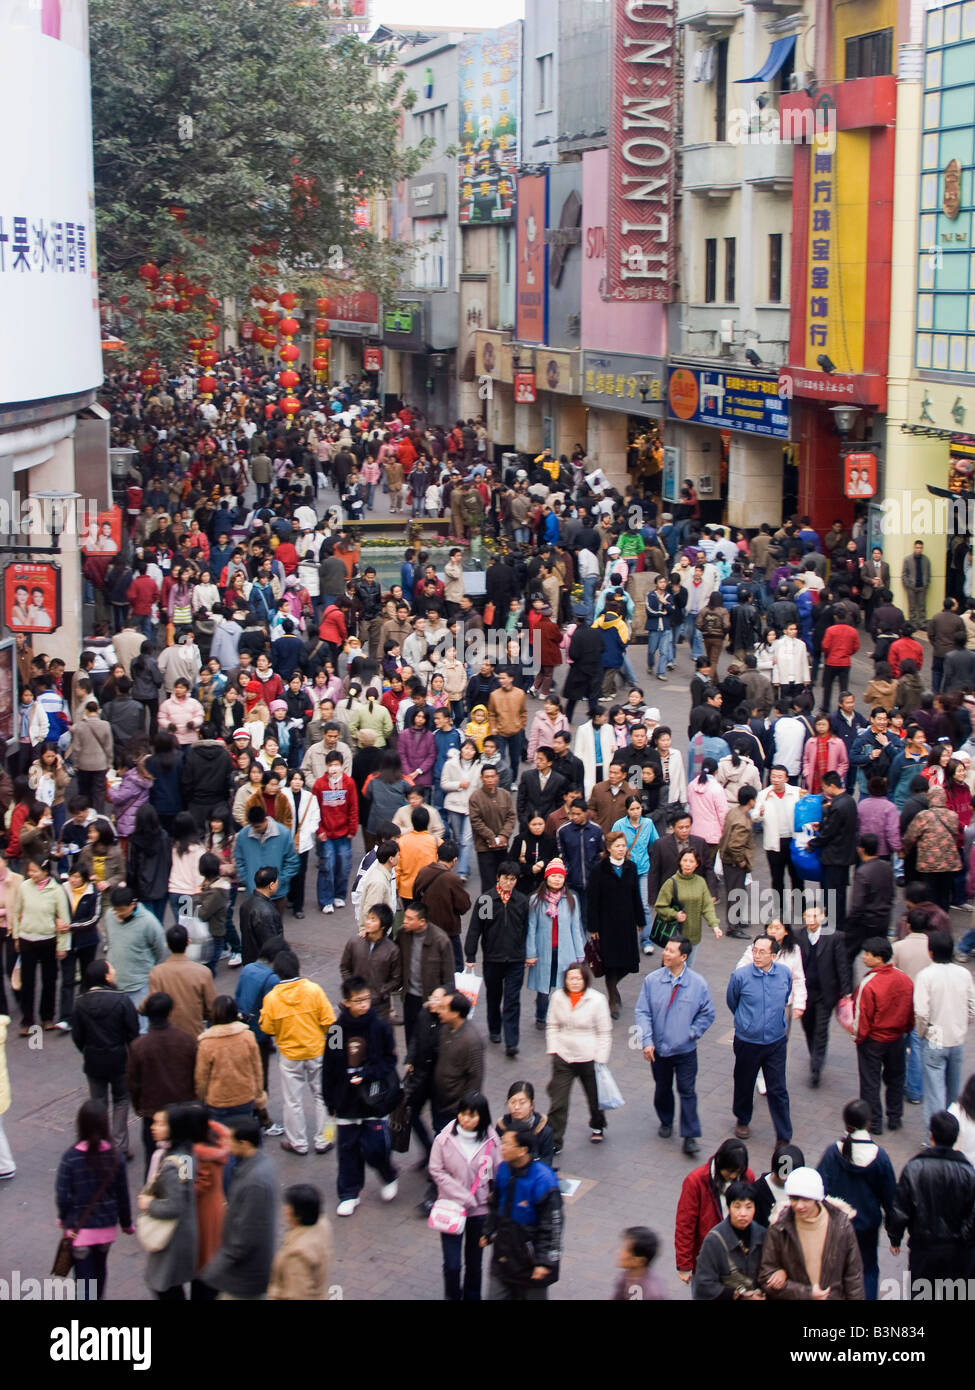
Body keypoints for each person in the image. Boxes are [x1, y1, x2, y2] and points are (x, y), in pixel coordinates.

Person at [322, 974, 400, 1217]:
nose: (363, 1004)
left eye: (366, 999)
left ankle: (388, 1173)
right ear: (346, 1002)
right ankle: (349, 1193)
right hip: (346, 1100)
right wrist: (330, 1101)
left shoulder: (380, 1027)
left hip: (373, 1097)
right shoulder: (336, 1031)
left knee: (376, 1146)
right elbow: (329, 1068)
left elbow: (390, 1060)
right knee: (347, 1149)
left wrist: (368, 1073)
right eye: (357, 1000)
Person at [635, 936, 715, 1157]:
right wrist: (647, 1041)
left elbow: (707, 1013)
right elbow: (642, 1012)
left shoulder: (698, 984)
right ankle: (666, 1119)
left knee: (687, 1091)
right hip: (659, 1050)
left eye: (672, 951)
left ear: (684, 957)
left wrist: (692, 1033)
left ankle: (690, 1135)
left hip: (686, 1051)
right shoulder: (652, 980)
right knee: (662, 1087)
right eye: (666, 950)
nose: (666, 954)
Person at [817, 1098, 897, 1301]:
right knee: (867, 1270)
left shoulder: (832, 1153)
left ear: (846, 1124)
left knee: (837, 1271)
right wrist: (895, 1236)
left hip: (836, 1227)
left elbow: (819, 1190)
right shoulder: (880, 1158)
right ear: (868, 1123)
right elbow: (890, 1200)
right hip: (867, 1228)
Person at [259, 948, 336, 1156]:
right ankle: (324, 1139)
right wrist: (335, 1049)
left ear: (277, 973)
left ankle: (298, 1142)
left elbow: (267, 1028)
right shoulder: (314, 990)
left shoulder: (273, 998)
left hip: (289, 1055)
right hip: (316, 1049)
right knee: (322, 1096)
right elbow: (330, 1021)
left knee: (293, 1100)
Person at [55, 1099, 133, 1301]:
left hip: (79, 1232)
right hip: (105, 1230)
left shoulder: (70, 1157)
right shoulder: (116, 1157)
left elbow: (63, 1196)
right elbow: (123, 1195)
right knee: (100, 1272)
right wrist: (126, 1224)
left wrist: (64, 1220)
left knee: (84, 1283)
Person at [889, 1110, 975, 1293]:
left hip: (923, 1249)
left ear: (931, 1135)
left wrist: (895, 1238)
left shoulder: (914, 1168)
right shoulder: (968, 1173)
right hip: (957, 1250)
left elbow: (900, 1209)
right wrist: (965, 1236)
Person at [428, 1090, 501, 1301]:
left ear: (482, 1116)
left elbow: (499, 1171)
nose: (466, 1119)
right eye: (463, 1113)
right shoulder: (444, 1139)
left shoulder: (491, 1141)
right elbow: (436, 1170)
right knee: (452, 1265)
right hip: (452, 1209)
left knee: (474, 1264)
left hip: (480, 1213)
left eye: (472, 1115)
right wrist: (464, 1196)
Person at [727, 934, 797, 1143]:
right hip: (748, 1041)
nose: (756, 955)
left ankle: (784, 1136)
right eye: (754, 950)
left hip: (776, 1041)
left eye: (762, 952)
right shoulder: (740, 976)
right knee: (744, 1082)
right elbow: (733, 1001)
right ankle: (742, 1118)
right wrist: (746, 1022)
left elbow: (785, 998)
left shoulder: (784, 974)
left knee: (778, 1088)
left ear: (774, 956)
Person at [201, 1114, 278, 1300]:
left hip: (242, 1274)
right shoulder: (258, 1165)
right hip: (241, 1267)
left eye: (230, 1139)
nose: (225, 1143)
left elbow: (246, 1237)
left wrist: (215, 1269)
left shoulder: (255, 1181)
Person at [758, 1165, 865, 1300]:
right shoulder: (779, 1227)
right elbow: (766, 1277)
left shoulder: (840, 1225)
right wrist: (806, 1293)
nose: (799, 1205)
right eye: (794, 1199)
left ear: (816, 1198)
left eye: (806, 1199)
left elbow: (853, 1275)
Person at [481, 1127, 563, 1300]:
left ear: (522, 1150)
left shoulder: (544, 1180)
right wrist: (488, 1231)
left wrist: (543, 1262)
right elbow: (495, 1204)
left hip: (530, 1264)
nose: (501, 1147)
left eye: (506, 1144)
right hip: (503, 1257)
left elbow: (552, 1225)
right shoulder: (503, 1170)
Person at [70, 959, 140, 1157]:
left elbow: (78, 1037)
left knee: (98, 1102)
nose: (114, 971)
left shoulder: (80, 1002)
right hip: (119, 1059)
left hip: (93, 1060)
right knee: (122, 1100)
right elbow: (132, 1032)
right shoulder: (121, 999)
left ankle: (99, 1143)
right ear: (106, 976)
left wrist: (87, 1050)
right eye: (111, 969)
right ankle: (120, 1146)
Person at [126, 992, 198, 1175]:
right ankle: (185, 1190)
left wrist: (139, 1107)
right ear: (170, 1012)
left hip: (152, 1112)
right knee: (184, 1158)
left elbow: (133, 1083)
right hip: (182, 1110)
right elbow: (197, 1075)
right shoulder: (186, 1040)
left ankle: (153, 1192)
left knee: (153, 1160)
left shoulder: (139, 1046)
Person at [545, 961, 612, 1152]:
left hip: (590, 1058)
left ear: (585, 980)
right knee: (558, 1101)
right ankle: (555, 1140)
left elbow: (604, 1031)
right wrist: (554, 1048)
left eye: (578, 978)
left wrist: (600, 1057)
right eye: (570, 978)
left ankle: (598, 1124)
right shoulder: (558, 997)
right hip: (563, 1057)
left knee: (594, 1097)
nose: (574, 982)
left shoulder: (597, 1000)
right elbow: (552, 1025)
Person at [463, 861, 528, 1057]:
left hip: (515, 959)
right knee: (494, 996)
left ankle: (512, 1042)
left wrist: (528, 952)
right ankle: (494, 1029)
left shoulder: (521, 901)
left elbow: (526, 929)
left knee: (512, 1000)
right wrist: (471, 954)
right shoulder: (487, 900)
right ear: (498, 878)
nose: (509, 883)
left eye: (513, 879)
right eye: (506, 878)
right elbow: (477, 928)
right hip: (493, 958)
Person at [913, 929, 975, 1127]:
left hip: (934, 1038)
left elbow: (921, 1013)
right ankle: (954, 1131)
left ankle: (935, 1135)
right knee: (953, 1092)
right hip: (956, 1038)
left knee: (934, 1092)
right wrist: (960, 1025)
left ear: (930, 952)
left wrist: (923, 1033)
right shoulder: (964, 974)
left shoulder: (926, 976)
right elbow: (972, 1007)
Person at [853, 937, 915, 1135]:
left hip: (874, 1040)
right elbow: (910, 1010)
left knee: (870, 1082)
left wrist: (859, 1038)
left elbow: (862, 1017)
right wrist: (905, 1030)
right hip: (896, 1037)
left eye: (867, 954)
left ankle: (875, 1122)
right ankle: (895, 1117)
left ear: (878, 958)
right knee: (896, 1077)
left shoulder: (869, 983)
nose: (864, 957)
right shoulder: (904, 978)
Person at [139, 1101, 199, 1300]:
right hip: (184, 1234)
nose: (153, 1127)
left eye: (160, 1124)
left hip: (172, 1239)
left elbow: (176, 1205)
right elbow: (187, 1191)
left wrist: (149, 1204)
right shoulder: (186, 1155)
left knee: (163, 1287)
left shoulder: (172, 1165)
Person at [674, 1138, 753, 1281]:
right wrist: (684, 1265)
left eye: (738, 1171)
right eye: (730, 1171)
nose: (734, 1176)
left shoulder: (747, 1177)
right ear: (719, 1162)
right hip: (707, 1258)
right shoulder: (696, 1182)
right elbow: (685, 1225)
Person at [796, 904, 852, 1087]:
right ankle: (814, 1053)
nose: (811, 920)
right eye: (807, 916)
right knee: (808, 1026)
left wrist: (846, 991)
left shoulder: (834, 937)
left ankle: (816, 1067)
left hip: (825, 992)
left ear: (822, 917)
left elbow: (842, 965)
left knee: (821, 1028)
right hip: (804, 993)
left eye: (815, 916)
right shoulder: (798, 936)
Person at [526, 859, 586, 1028]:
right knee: (544, 987)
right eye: (553, 876)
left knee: (564, 986)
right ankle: (541, 1015)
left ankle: (562, 1016)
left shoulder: (572, 899)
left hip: (565, 951)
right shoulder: (535, 900)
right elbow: (531, 928)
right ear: (546, 878)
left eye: (560, 876)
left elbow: (576, 927)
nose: (557, 880)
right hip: (544, 950)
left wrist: (580, 953)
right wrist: (530, 953)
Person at [692, 1179, 767, 1301]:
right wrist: (737, 1296)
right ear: (728, 1207)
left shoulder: (762, 1234)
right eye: (737, 1207)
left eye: (748, 1207)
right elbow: (703, 1284)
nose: (743, 1213)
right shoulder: (714, 1240)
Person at [194, 995, 265, 1122]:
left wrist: (201, 1099)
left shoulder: (207, 1042)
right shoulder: (247, 1036)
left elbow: (201, 1077)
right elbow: (257, 1070)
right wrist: (259, 1097)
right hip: (245, 1096)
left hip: (217, 1100)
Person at [654, 848, 723, 971]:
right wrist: (675, 914)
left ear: (697, 864)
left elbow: (707, 906)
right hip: (675, 937)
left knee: (687, 970)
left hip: (694, 936)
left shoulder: (700, 882)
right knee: (671, 970)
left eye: (691, 861)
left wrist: (715, 926)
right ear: (680, 862)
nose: (687, 864)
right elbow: (660, 906)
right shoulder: (671, 883)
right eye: (685, 860)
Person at [807, 771, 858, 933]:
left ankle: (834, 924)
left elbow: (830, 832)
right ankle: (839, 921)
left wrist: (813, 844)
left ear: (832, 786)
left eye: (824, 787)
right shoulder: (849, 801)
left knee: (832, 892)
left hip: (834, 856)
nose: (823, 790)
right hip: (845, 854)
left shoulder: (838, 805)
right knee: (840, 891)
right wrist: (821, 825)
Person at [146, 924, 216, 1041]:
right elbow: (211, 1007)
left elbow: (149, 1005)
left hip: (166, 1039)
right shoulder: (203, 972)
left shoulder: (157, 973)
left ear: (167, 945)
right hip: (194, 1036)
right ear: (188, 942)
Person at [267, 1182, 334, 1300]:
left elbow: (297, 1295)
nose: (284, 1209)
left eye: (288, 1206)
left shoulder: (297, 1256)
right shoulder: (322, 1224)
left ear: (297, 1214)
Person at [339, 903, 402, 1021]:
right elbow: (344, 967)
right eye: (368, 918)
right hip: (355, 1004)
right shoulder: (355, 942)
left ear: (383, 926)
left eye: (373, 920)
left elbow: (396, 979)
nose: (368, 922)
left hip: (380, 1007)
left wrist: (380, 991)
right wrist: (353, 987)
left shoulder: (392, 950)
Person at [495, 1081, 556, 1169]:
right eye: (512, 1102)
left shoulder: (544, 1131)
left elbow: (547, 1161)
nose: (516, 1107)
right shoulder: (501, 1126)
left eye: (522, 1102)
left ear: (532, 1104)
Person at [611, 1226, 667, 1300]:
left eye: (625, 1250)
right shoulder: (625, 1277)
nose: (618, 1252)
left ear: (639, 1261)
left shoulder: (653, 1293)